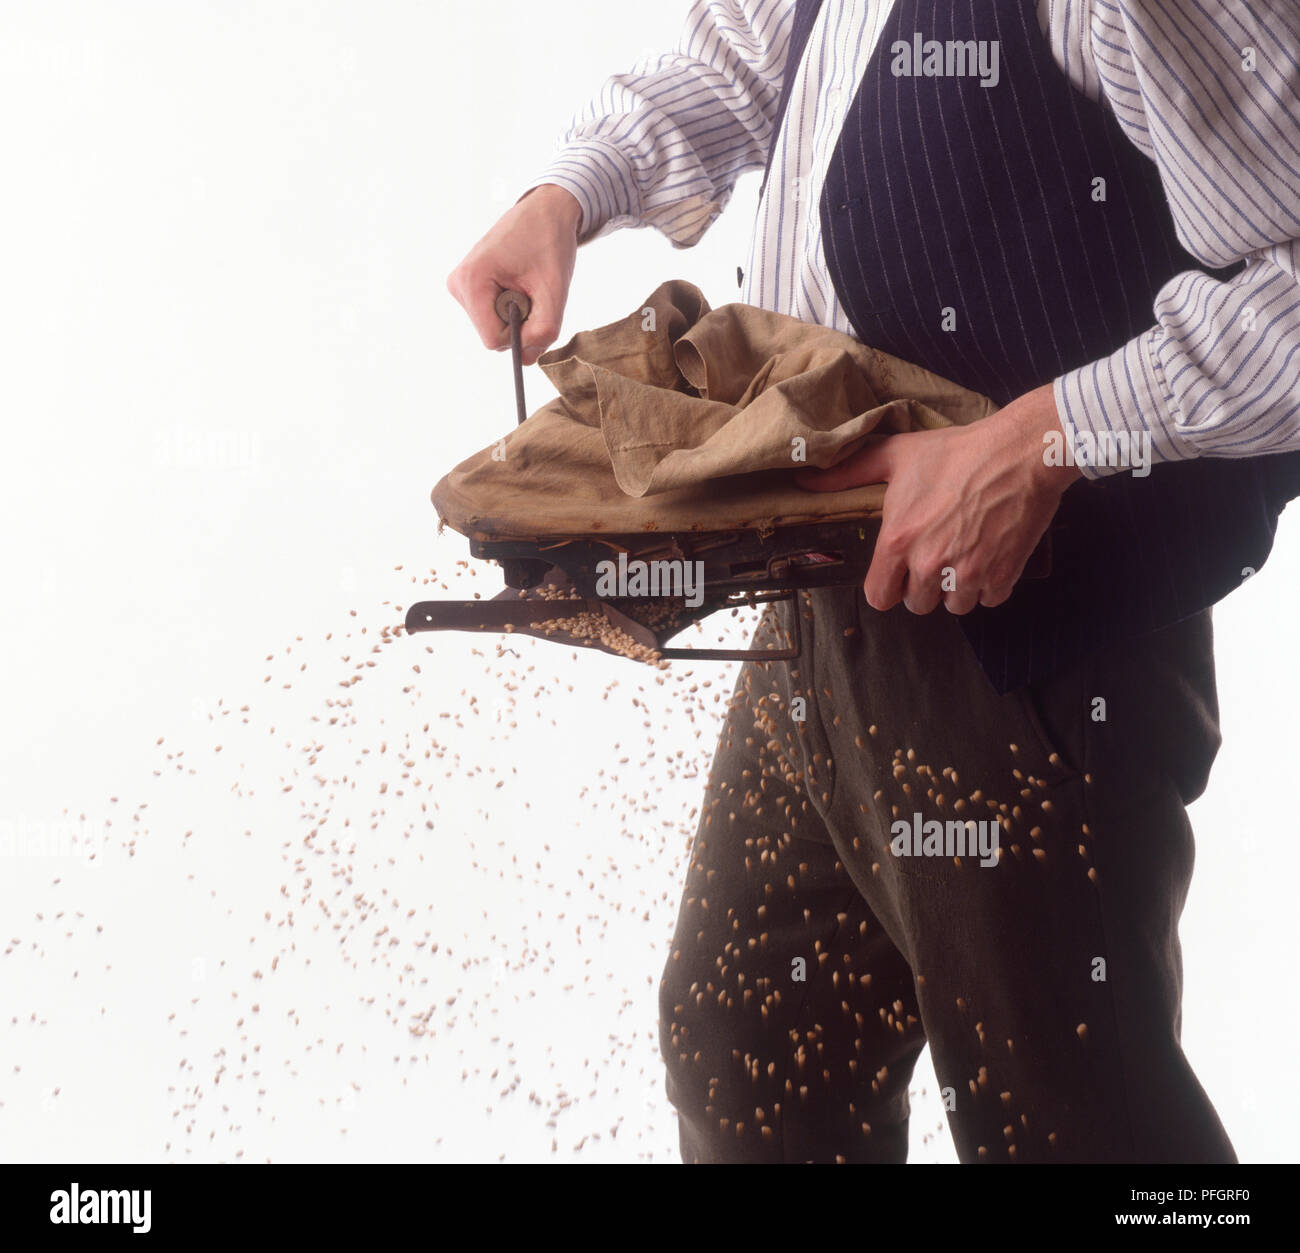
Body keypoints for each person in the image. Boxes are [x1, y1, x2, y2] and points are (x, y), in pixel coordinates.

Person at [447, 0, 1300, 1163]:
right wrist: (571, 190)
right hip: (825, 604)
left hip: (1035, 655)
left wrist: (1043, 438)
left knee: (1064, 1117)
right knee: (746, 1040)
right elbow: (749, 53)